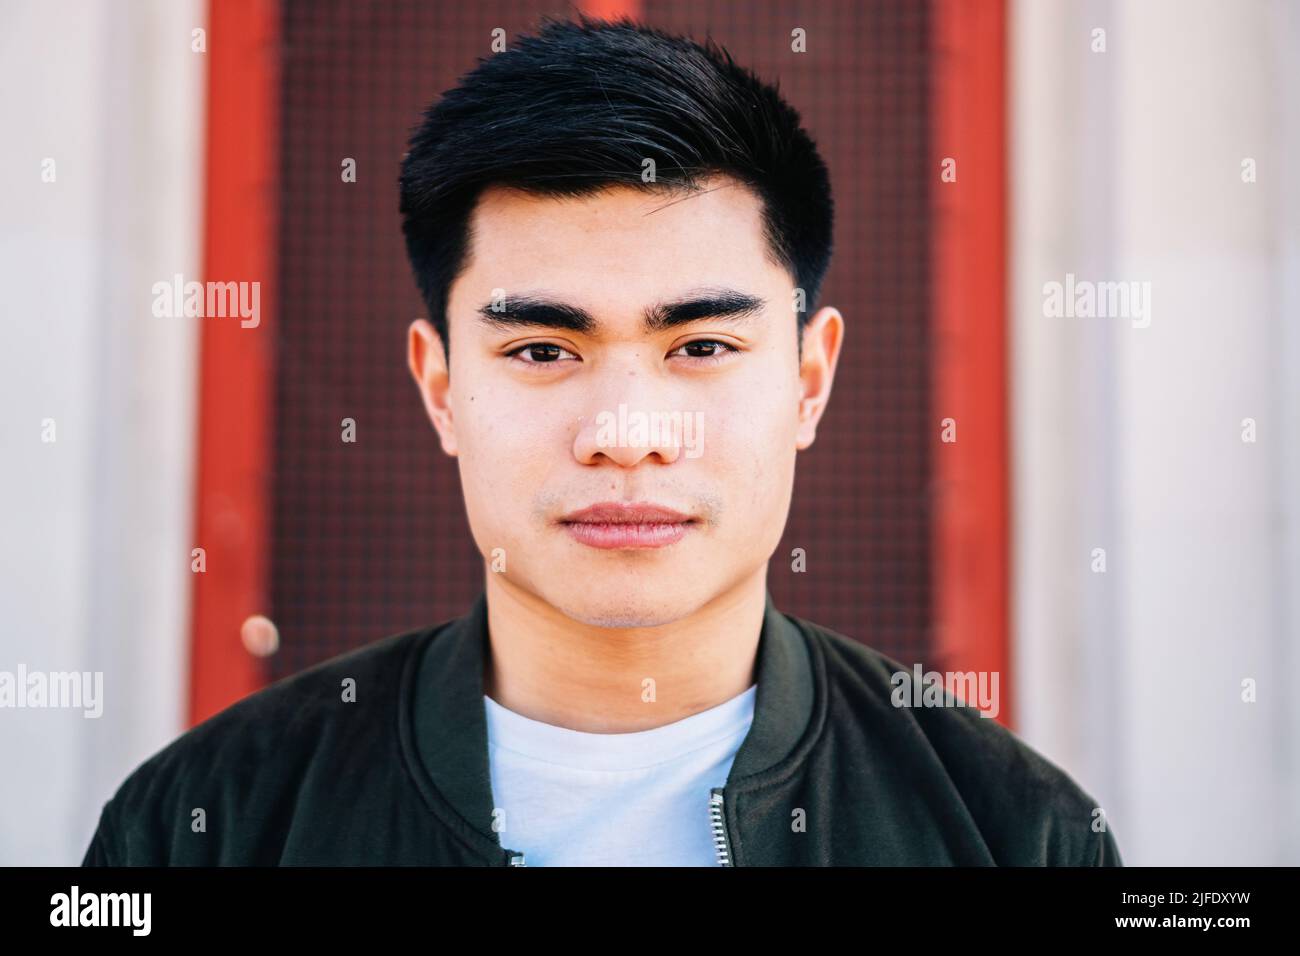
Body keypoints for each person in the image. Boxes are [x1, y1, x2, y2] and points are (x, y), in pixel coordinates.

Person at [82, 15, 1121, 867]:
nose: (625, 433)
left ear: (808, 378)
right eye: (541, 350)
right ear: (440, 384)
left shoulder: (1010, 832)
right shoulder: (209, 823)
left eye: (701, 343)